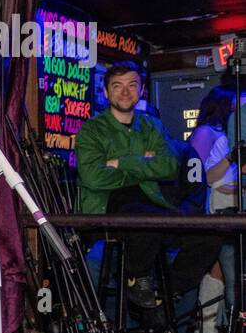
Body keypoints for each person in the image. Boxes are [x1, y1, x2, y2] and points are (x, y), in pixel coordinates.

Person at [74, 61, 222, 310]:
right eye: (117, 86)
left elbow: (169, 166)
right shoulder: (91, 130)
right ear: (106, 92)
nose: (125, 92)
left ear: (142, 90)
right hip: (106, 211)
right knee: (144, 217)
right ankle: (136, 278)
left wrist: (119, 163)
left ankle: (167, 291)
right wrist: (144, 165)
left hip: (151, 206)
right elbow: (93, 178)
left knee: (209, 234)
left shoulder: (152, 125)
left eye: (132, 85)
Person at [189, 88, 239, 333]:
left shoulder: (221, 136)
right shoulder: (211, 135)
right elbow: (201, 176)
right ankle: (209, 328)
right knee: (221, 267)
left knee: (224, 268)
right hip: (216, 209)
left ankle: (216, 328)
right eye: (233, 109)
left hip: (228, 207)